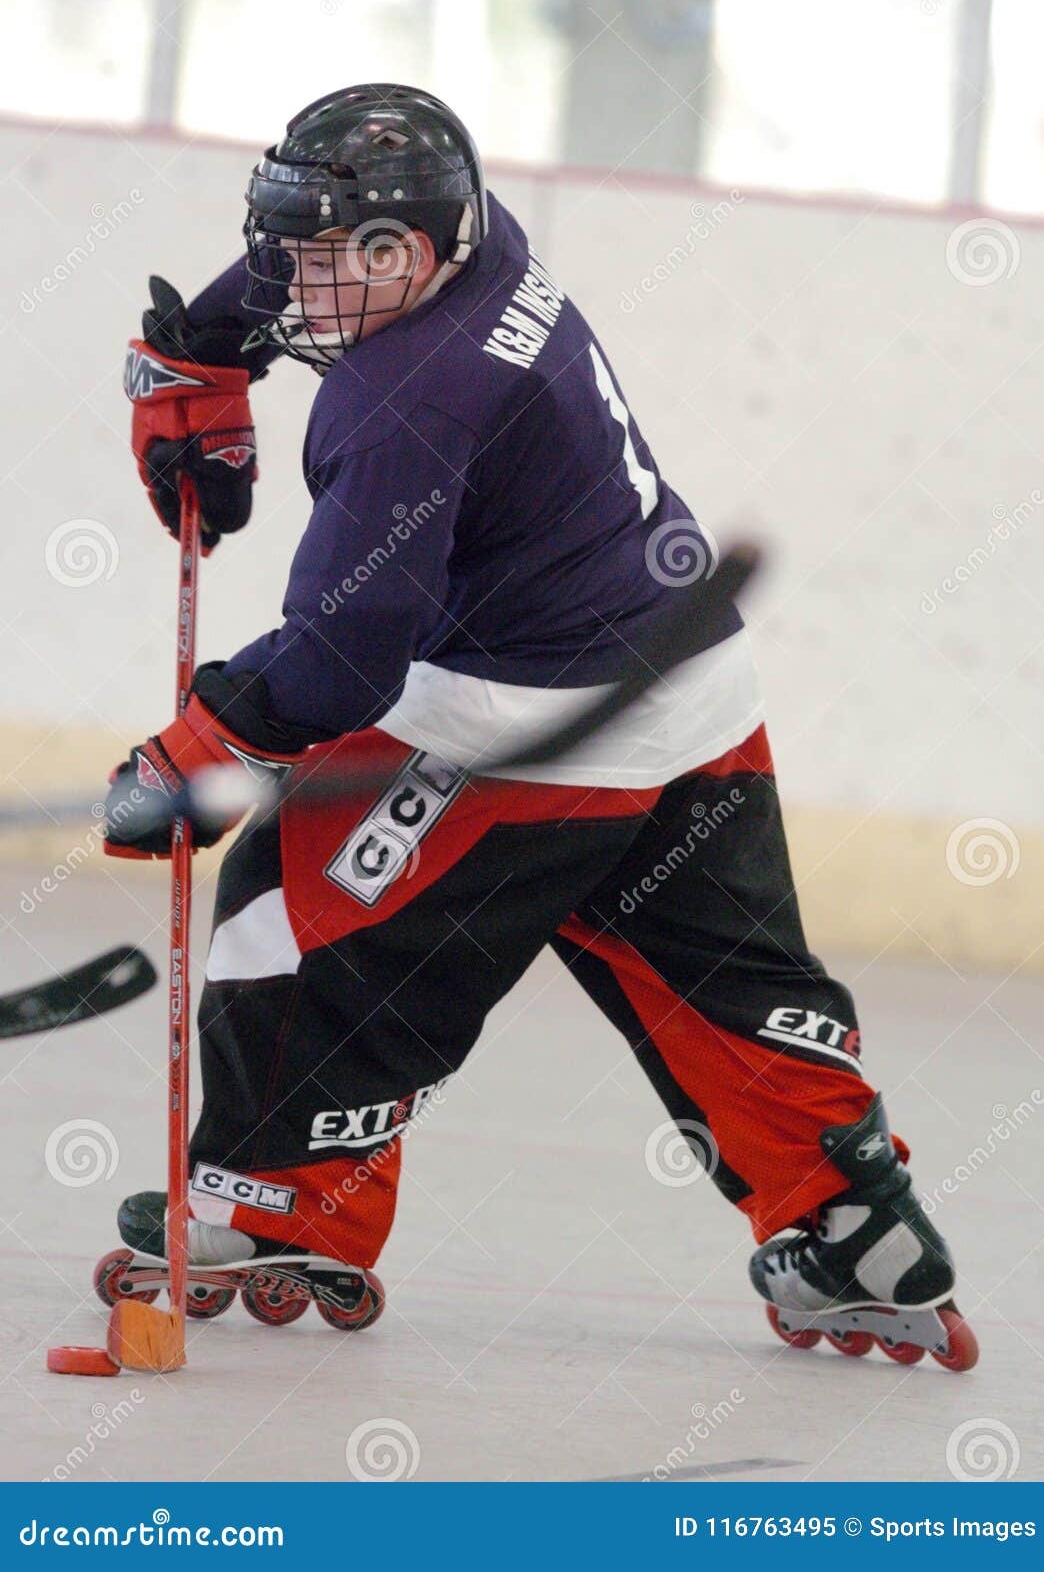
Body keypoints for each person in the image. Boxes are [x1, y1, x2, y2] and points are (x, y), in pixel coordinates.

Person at [98, 85, 976, 1365]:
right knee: (716, 974)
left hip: (528, 729)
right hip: (689, 684)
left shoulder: (403, 403)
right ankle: (856, 1226)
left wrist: (207, 745)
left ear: (400, 253)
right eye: (283, 245)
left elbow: (345, 658)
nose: (290, 276)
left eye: (313, 255)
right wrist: (212, 348)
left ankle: (284, 1191)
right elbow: (317, 265)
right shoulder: (474, 236)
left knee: (291, 909)